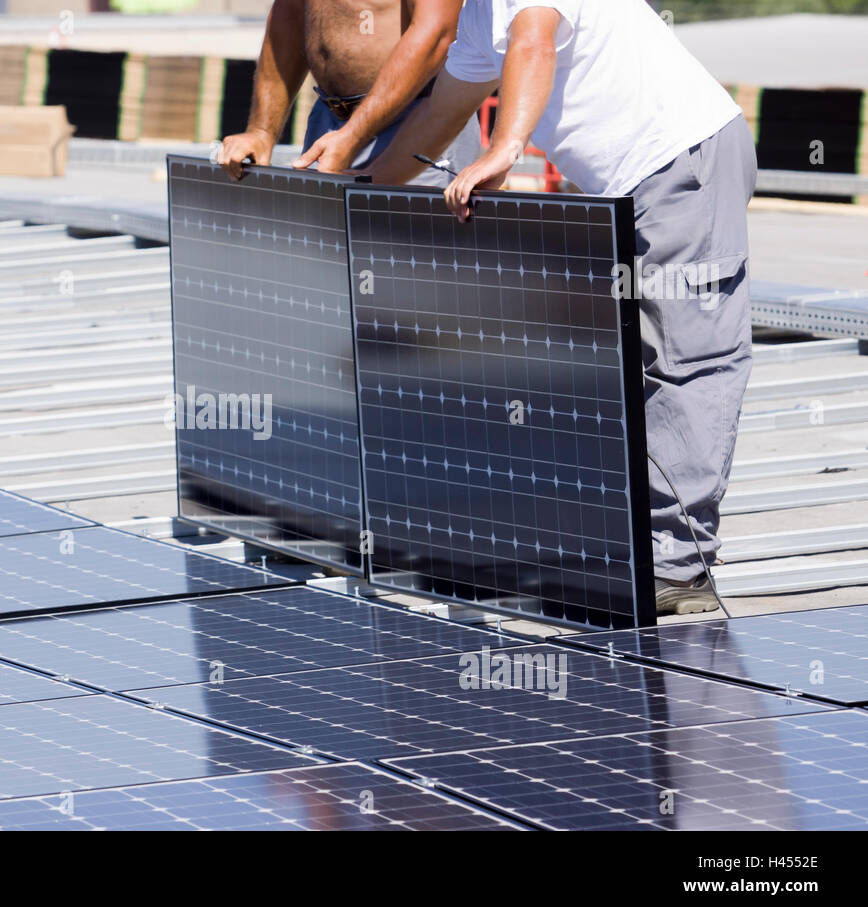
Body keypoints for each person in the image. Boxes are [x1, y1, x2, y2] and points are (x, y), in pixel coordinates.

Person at [363, 0, 755, 615]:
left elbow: (533, 44)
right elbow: (442, 112)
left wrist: (504, 148)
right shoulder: (478, 18)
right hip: (624, 184)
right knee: (626, 361)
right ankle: (636, 549)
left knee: (685, 359)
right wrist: (360, 184)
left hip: (683, 157)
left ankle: (681, 568)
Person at [215, 0, 479, 184]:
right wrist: (261, 131)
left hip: (416, 123)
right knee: (328, 257)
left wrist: (352, 136)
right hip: (329, 126)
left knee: (404, 257)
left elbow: (437, 33)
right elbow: (291, 13)